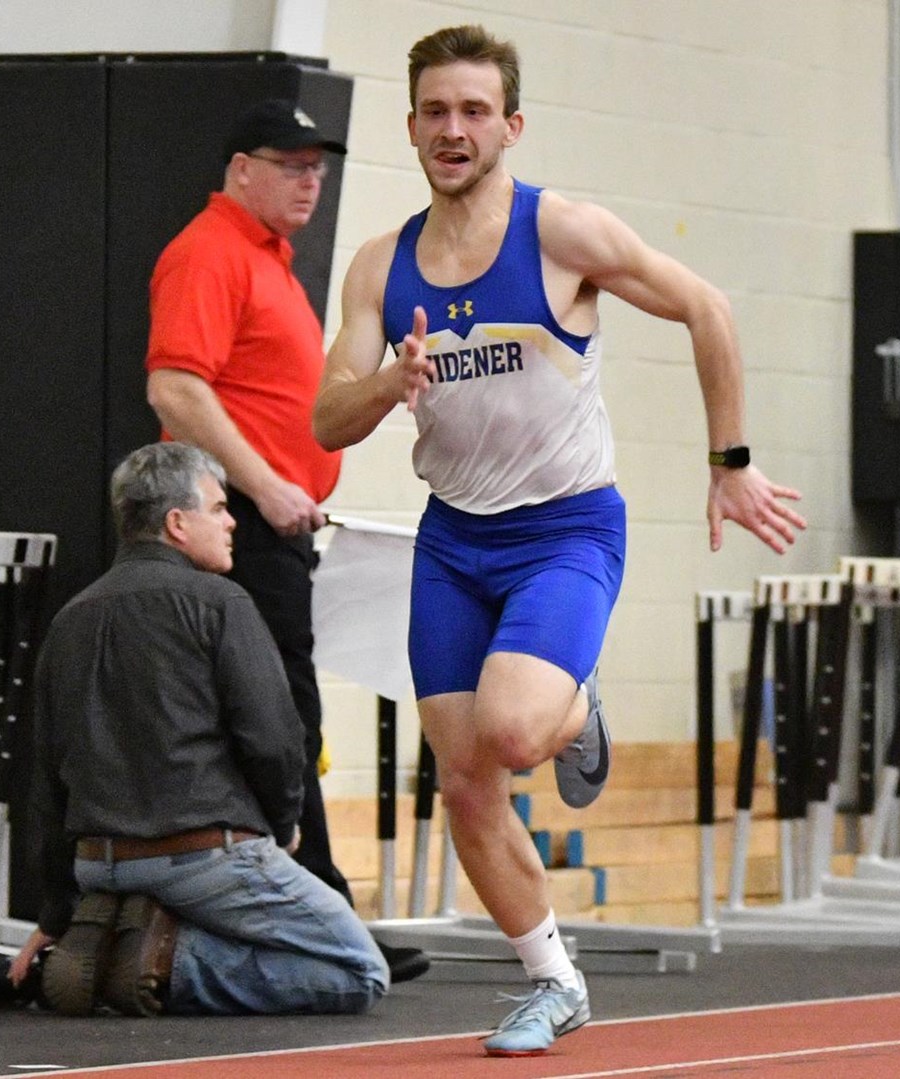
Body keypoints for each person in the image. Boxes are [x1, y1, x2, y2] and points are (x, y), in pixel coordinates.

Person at [311, 24, 805, 1057]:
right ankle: (553, 980)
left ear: (512, 127)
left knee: (513, 725)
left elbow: (706, 307)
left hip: (564, 528)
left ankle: (577, 707)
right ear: (411, 127)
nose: (454, 130)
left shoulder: (561, 234)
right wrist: (389, 383)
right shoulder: (379, 267)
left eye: (474, 111)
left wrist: (731, 460)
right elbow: (326, 419)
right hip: (455, 539)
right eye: (435, 112)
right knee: (464, 779)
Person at [143, 98, 428, 984]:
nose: (311, 181)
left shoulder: (269, 260)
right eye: (291, 165)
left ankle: (315, 908)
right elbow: (175, 389)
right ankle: (324, 912)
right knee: (278, 717)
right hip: (241, 524)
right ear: (240, 170)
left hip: (274, 525)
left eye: (318, 168)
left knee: (285, 716)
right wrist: (265, 486)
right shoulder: (209, 252)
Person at [8, 442, 388, 1016]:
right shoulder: (222, 603)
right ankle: (162, 961)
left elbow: (47, 780)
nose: (232, 522)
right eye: (219, 508)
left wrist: (58, 917)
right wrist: (283, 826)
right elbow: (275, 741)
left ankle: (124, 934)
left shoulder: (68, 620)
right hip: (204, 861)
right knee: (360, 971)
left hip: (100, 866)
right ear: (177, 524)